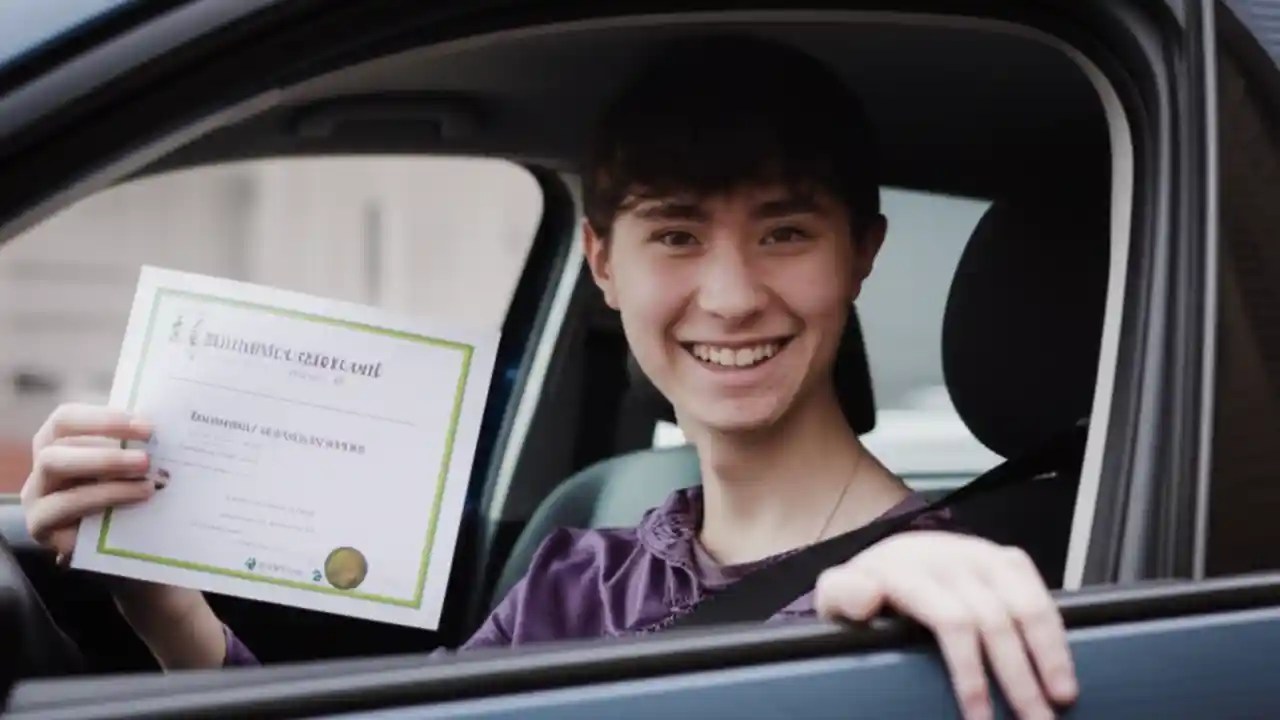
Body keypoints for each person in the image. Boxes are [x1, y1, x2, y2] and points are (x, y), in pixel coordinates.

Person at [20, 36, 1078, 720]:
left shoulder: (949, 594)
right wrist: (162, 602)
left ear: (861, 253)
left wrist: (909, 624)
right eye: (673, 234)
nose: (728, 294)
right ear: (602, 265)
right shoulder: (577, 575)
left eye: (784, 231)